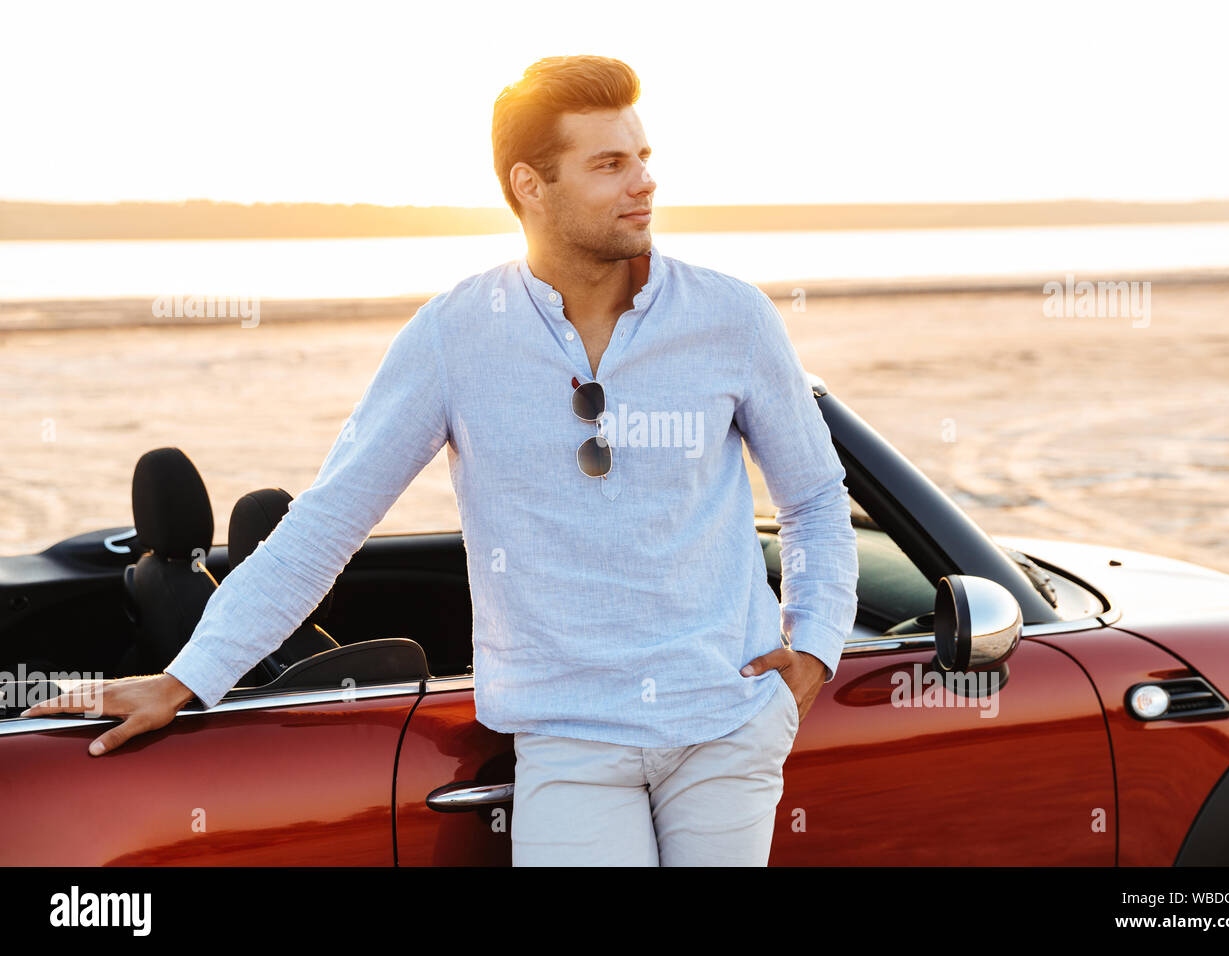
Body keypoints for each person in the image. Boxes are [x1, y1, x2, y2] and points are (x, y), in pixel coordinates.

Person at [23, 54, 859, 866]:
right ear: (531, 185)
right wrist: (185, 680)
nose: (643, 182)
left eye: (644, 157)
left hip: (725, 727)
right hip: (568, 741)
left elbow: (816, 498)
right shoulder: (455, 337)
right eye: (609, 163)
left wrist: (814, 648)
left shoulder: (733, 318)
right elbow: (328, 523)